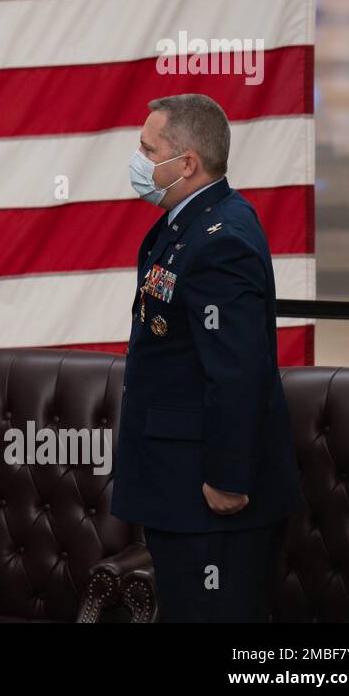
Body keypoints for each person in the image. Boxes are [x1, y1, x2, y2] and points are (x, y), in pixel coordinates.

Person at [111, 93, 304, 622]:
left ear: (186, 163)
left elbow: (237, 370)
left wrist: (227, 477)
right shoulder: (191, 222)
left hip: (213, 499)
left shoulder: (221, 238)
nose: (138, 161)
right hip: (180, 488)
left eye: (148, 151)